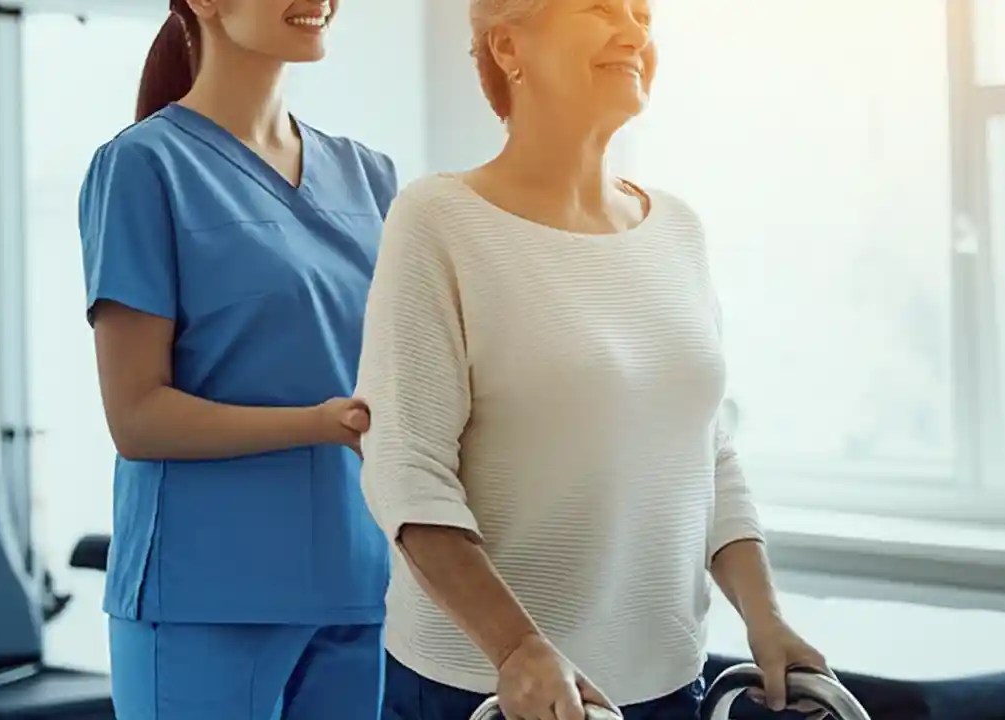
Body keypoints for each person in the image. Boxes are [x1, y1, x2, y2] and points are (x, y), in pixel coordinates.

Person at [356, 1, 833, 719]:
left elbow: (706, 451)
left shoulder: (678, 230)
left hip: (668, 680)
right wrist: (516, 647)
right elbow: (406, 469)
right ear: (509, 45)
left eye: (643, 14)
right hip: (491, 687)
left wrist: (763, 616)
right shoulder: (438, 221)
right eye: (600, 7)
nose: (636, 31)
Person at [76, 1, 398, 717]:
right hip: (204, 594)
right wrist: (319, 423)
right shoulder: (143, 167)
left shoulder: (371, 177)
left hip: (358, 586)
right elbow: (137, 417)